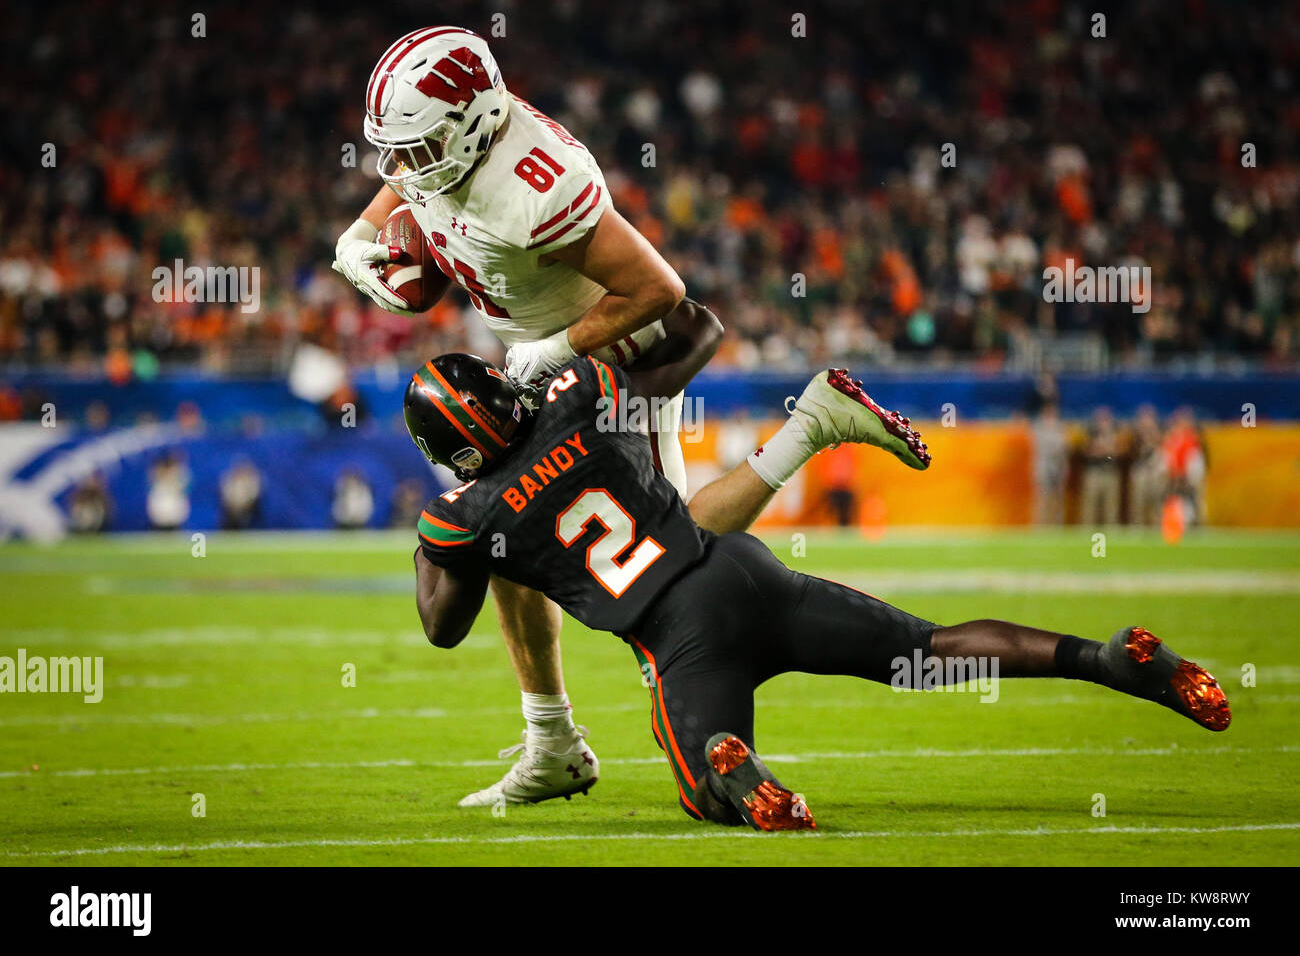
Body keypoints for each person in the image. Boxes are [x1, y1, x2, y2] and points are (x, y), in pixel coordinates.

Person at [331, 27, 913, 806]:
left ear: (470, 124)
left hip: (604, 362)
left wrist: (558, 349)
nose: (404, 165)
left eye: (421, 144)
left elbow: (659, 290)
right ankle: (553, 739)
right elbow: (414, 179)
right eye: (397, 149)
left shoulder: (538, 184)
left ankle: (812, 423)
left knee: (673, 563)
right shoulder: (452, 145)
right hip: (536, 357)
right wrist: (363, 234)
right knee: (512, 537)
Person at [401, 310, 1230, 830]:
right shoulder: (577, 397)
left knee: (699, 793)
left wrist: (433, 539)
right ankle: (1107, 659)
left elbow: (442, 626)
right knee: (933, 651)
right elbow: (696, 330)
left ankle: (735, 764)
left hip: (681, 636)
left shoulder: (465, 513)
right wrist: (568, 349)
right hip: (743, 568)